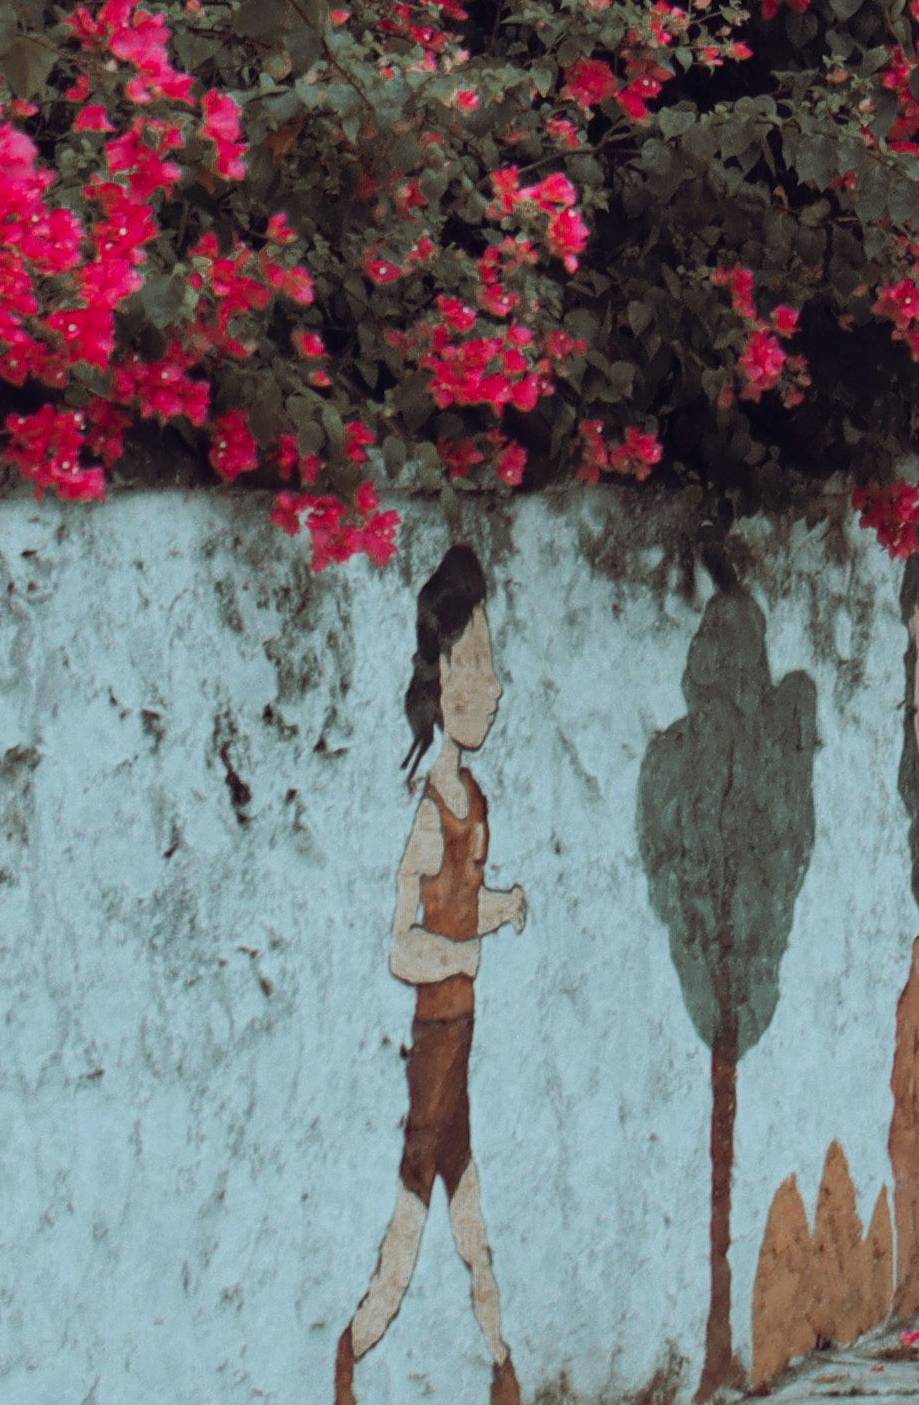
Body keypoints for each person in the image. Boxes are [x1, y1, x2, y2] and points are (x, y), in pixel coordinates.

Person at [344, 543, 528, 1405]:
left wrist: (502, 906)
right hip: (435, 1044)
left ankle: (501, 1370)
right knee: (416, 1222)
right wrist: (463, 952)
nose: (488, 685)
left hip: (462, 1035)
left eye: (491, 664)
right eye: (472, 663)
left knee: (468, 1218)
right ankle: (351, 1354)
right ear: (440, 679)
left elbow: (461, 905)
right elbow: (402, 945)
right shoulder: (432, 814)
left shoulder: (476, 802)